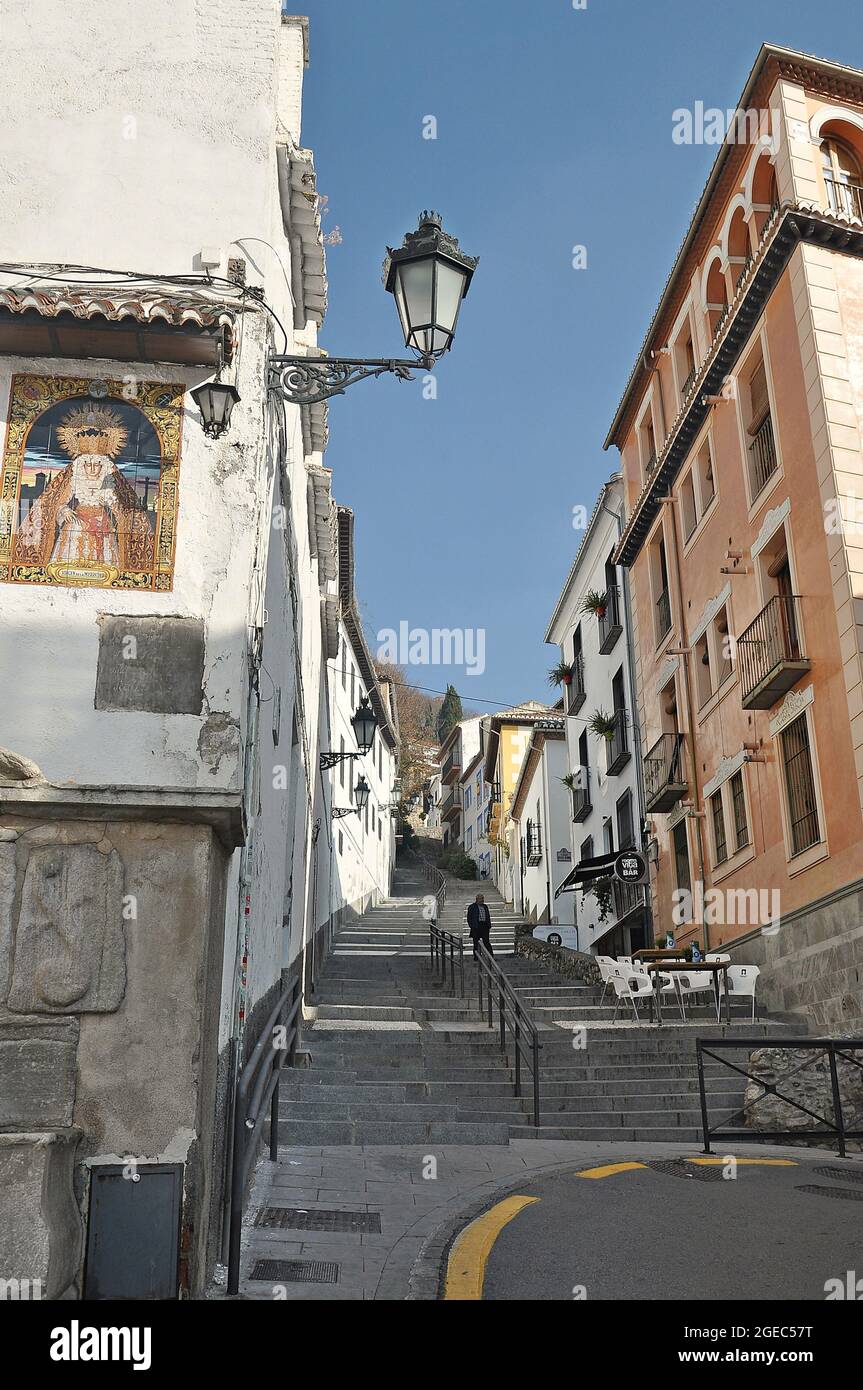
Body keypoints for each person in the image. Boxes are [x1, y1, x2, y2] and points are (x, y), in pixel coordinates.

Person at [467, 894, 494, 959]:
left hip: (484, 926)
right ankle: (476, 957)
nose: (482, 900)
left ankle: (490, 956)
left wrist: (489, 925)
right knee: (476, 942)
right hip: (476, 926)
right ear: (477, 899)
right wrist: (472, 926)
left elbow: (488, 916)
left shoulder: (485, 906)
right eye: (481, 898)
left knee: (486, 942)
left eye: (483, 898)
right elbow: (469, 917)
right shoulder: (472, 907)